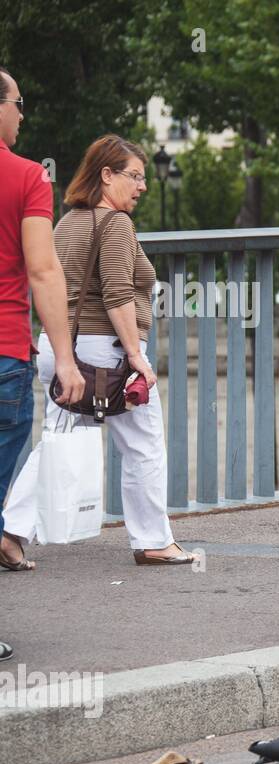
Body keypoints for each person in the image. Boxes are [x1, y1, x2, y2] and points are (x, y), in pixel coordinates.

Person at [3, 134, 194, 566]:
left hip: (61, 347)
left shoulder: (66, 222)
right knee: (144, 443)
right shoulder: (115, 223)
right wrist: (137, 356)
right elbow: (117, 293)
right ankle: (153, 540)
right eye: (135, 177)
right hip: (105, 351)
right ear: (106, 175)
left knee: (59, 441)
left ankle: (10, 531)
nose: (142, 186)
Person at [1, 65, 86, 656]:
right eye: (18, 102)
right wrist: (65, 359)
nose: (23, 114)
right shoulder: (27, 177)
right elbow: (43, 270)